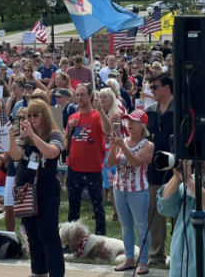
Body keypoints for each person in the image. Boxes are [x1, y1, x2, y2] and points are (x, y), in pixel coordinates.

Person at [9, 99, 65, 277]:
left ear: (44, 116)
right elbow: (16, 155)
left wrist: (33, 136)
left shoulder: (55, 134)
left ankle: (56, 273)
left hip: (47, 192)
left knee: (48, 235)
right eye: (29, 115)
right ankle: (39, 271)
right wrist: (11, 138)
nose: (32, 118)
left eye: (35, 115)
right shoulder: (24, 136)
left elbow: (51, 152)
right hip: (25, 192)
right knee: (32, 236)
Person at [107, 110, 153, 275]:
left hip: (138, 191)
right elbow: (110, 163)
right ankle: (129, 259)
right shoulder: (123, 141)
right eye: (128, 121)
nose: (130, 124)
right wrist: (114, 147)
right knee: (126, 227)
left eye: (134, 121)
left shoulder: (147, 145)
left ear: (143, 126)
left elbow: (135, 162)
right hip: (119, 189)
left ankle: (143, 261)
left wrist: (121, 146)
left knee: (141, 227)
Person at [64, 85, 110, 235]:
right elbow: (65, 142)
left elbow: (108, 130)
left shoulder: (96, 116)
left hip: (93, 168)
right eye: (77, 95)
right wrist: (69, 131)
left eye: (82, 94)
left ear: (90, 96)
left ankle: (100, 237)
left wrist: (101, 111)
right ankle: (72, 238)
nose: (79, 98)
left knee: (97, 206)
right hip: (74, 168)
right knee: (73, 207)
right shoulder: (73, 117)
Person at [144, 73, 174, 266]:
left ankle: (180, 253)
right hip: (154, 171)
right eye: (150, 87)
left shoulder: (181, 110)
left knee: (178, 214)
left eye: (154, 87)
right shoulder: (150, 111)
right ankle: (156, 256)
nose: (151, 91)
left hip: (178, 172)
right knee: (154, 215)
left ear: (167, 88)